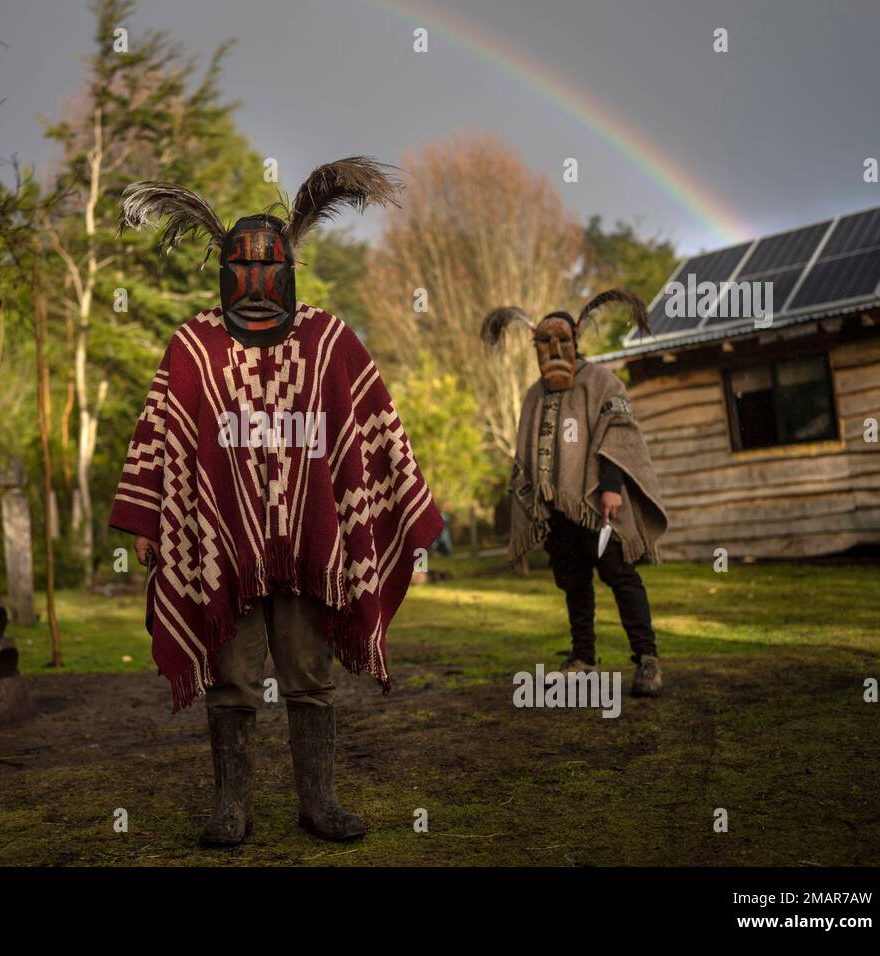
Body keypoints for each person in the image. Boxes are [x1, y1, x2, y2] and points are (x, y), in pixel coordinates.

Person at [111, 158, 444, 844]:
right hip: (218, 544)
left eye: (269, 268)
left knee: (309, 672)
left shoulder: (328, 340)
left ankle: (317, 801)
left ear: (290, 271)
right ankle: (232, 807)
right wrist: (146, 520)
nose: (256, 282)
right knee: (230, 676)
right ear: (223, 271)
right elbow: (159, 433)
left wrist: (402, 513)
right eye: (242, 268)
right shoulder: (194, 346)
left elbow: (373, 430)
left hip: (310, 544)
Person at [482, 291, 669, 697]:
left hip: (597, 504)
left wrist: (611, 488)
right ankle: (583, 658)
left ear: (576, 339)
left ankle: (647, 660)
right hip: (557, 511)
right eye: (544, 343)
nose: (554, 350)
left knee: (620, 577)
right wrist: (536, 503)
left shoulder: (600, 382)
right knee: (574, 584)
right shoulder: (534, 394)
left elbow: (617, 434)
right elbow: (527, 452)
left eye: (562, 341)